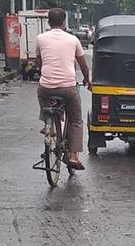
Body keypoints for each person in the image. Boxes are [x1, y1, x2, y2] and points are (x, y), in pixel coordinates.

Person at [35, 7, 90, 170]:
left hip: (46, 87)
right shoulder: (73, 40)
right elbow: (83, 65)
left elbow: (39, 62)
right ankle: (73, 156)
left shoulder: (40, 38)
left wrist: (43, 73)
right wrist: (87, 79)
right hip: (68, 88)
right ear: (64, 22)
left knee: (43, 96)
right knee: (76, 120)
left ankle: (47, 124)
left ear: (48, 22)